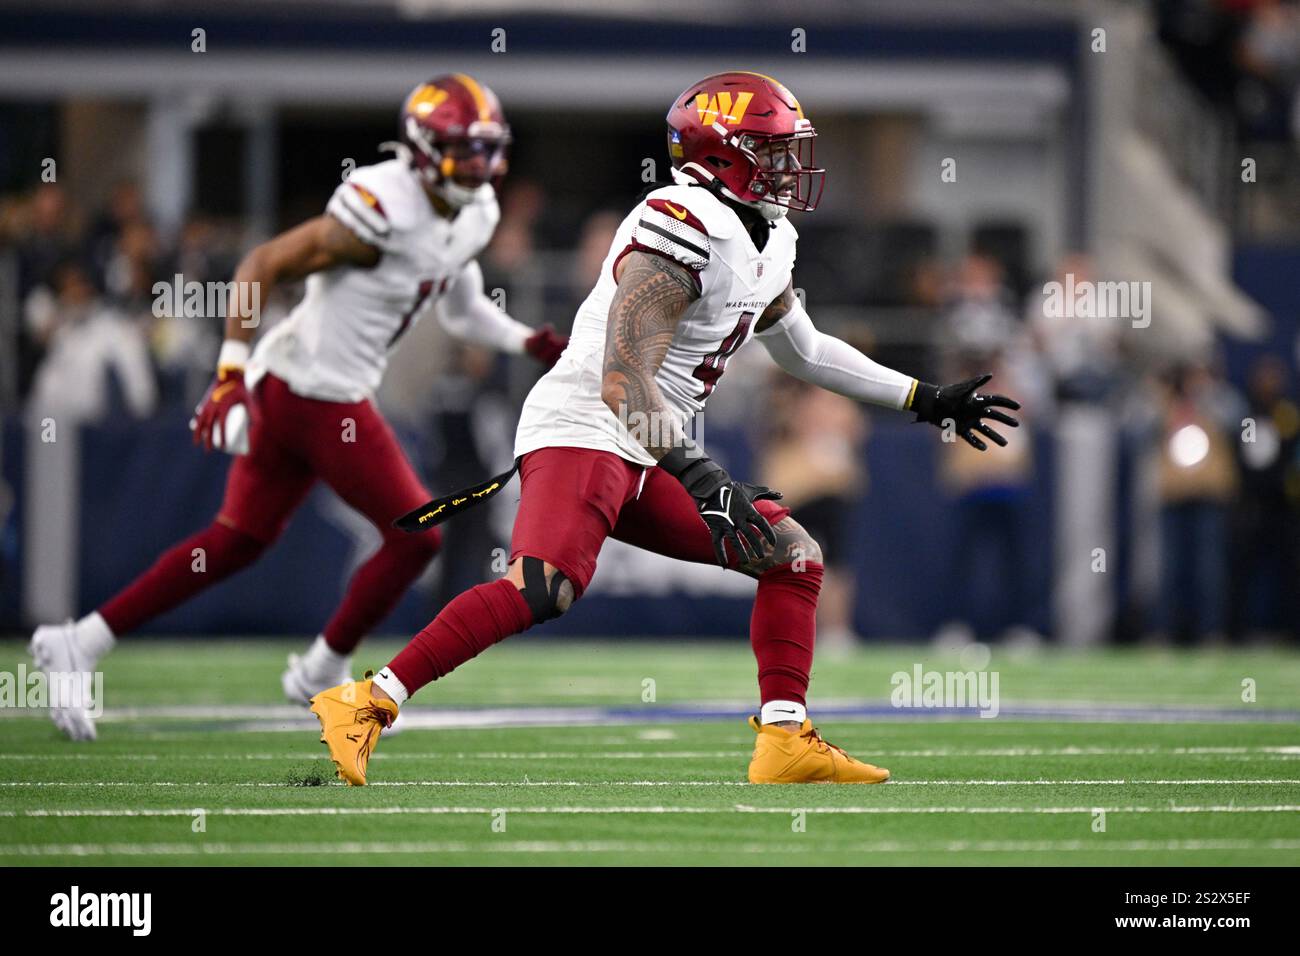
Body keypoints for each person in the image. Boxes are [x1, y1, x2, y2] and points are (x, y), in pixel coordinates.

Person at [310, 71, 1019, 786]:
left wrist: (923, 398)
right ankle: (364, 702)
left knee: (791, 555)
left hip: (645, 441)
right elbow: (621, 377)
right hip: (587, 424)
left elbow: (800, 347)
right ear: (720, 157)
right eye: (771, 152)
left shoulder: (768, 236)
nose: (789, 169)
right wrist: (702, 475)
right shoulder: (681, 225)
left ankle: (785, 740)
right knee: (543, 585)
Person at [29, 74, 567, 741]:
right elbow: (261, 264)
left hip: (301, 385)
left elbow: (458, 301)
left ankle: (78, 641)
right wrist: (228, 372)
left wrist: (527, 339)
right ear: (424, 150)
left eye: (489, 151)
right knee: (418, 535)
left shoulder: (474, 209)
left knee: (235, 543)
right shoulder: (382, 209)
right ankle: (322, 667)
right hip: (315, 393)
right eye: (465, 151)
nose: (481, 167)